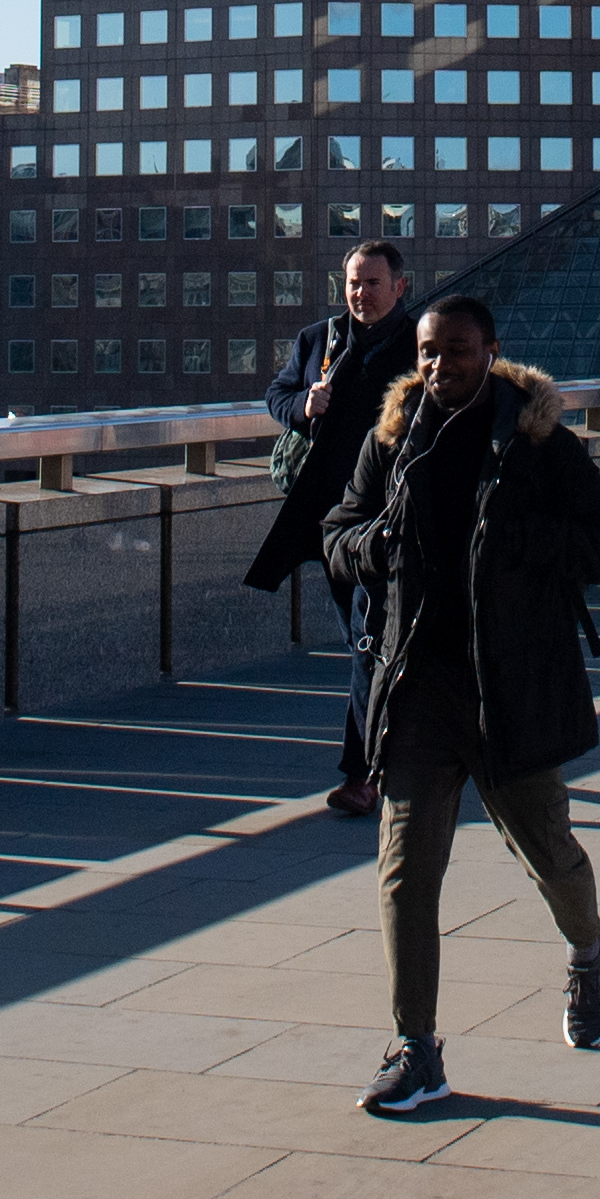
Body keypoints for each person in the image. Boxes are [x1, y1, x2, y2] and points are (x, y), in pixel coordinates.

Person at [316, 290, 600, 1118]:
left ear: (490, 350)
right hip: (419, 693)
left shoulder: (539, 443)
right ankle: (416, 1048)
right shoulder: (392, 440)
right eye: (428, 351)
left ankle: (587, 949)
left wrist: (528, 542)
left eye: (456, 349)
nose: (438, 364)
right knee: (404, 876)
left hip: (511, 691)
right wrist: (374, 544)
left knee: (552, 858)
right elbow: (336, 532)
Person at [244, 238, 424, 817]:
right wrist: (304, 406)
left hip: (390, 518)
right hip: (329, 521)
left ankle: (361, 775)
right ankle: (402, 745)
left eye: (372, 283)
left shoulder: (421, 344)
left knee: (366, 641)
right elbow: (277, 393)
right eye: (352, 282)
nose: (359, 293)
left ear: (400, 286)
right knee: (362, 640)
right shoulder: (319, 340)